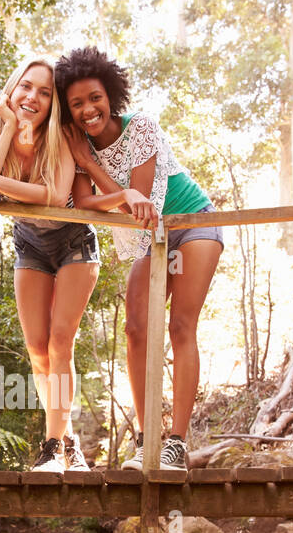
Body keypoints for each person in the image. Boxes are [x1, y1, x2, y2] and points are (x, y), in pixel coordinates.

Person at [56, 46, 223, 473]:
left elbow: (140, 204)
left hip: (190, 223)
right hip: (151, 238)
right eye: (76, 104)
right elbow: (84, 204)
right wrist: (85, 163)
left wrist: (88, 164)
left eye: (95, 97)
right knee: (135, 329)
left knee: (181, 325)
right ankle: (148, 439)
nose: (88, 109)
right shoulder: (78, 143)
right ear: (68, 110)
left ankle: (176, 444)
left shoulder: (141, 128)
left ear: (110, 94)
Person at [0, 56, 98, 472]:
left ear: (52, 102)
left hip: (73, 240)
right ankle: (69, 440)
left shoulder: (61, 134)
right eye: (26, 86)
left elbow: (56, 195)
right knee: (38, 352)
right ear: (13, 87)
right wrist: (5, 125)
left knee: (60, 343)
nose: (33, 97)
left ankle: (53, 446)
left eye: (44, 92)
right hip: (30, 244)